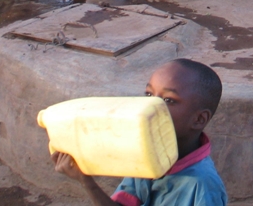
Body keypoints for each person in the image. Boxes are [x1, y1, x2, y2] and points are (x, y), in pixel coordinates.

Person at [52, 59, 227, 206]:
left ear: (199, 119)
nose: (150, 107)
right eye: (149, 95)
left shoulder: (203, 186)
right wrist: (85, 179)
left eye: (168, 100)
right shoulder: (146, 155)